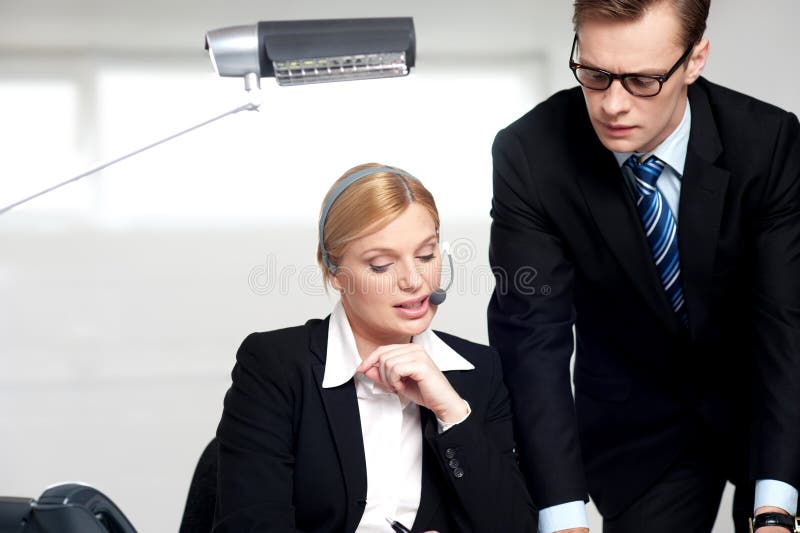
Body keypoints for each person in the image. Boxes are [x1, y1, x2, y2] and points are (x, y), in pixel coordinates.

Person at [487, 1, 800, 532]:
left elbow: (786, 324)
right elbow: (531, 343)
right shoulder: (530, 154)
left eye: (642, 80)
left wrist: (775, 506)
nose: (612, 104)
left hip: (773, 406)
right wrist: (561, 514)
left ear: (695, 59)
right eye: (595, 74)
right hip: (639, 431)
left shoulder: (768, 143)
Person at [213, 163, 537, 532]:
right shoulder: (276, 365)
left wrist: (451, 413)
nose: (414, 281)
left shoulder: (479, 370)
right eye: (381, 265)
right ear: (334, 271)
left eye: (427, 255)